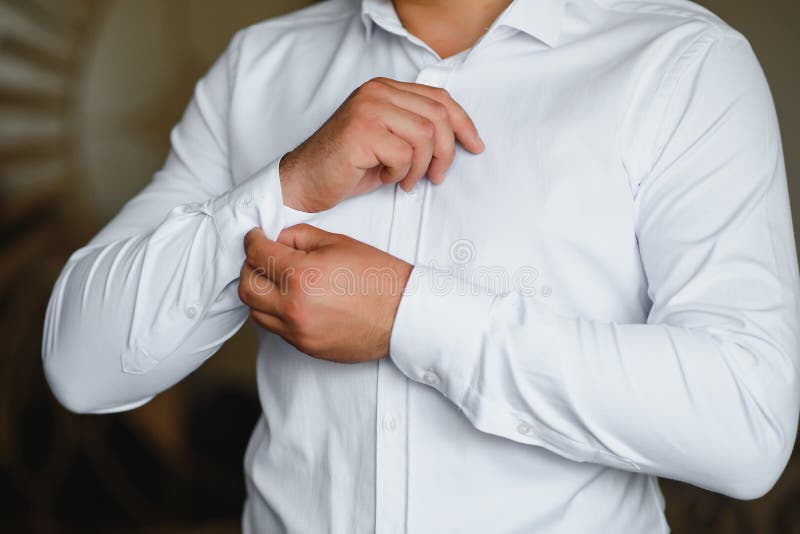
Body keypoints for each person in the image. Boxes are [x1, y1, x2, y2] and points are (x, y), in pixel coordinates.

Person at [43, 0, 800, 531]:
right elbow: (82, 365)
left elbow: (745, 418)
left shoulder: (683, 65)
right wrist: (288, 187)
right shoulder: (259, 66)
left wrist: (408, 315)